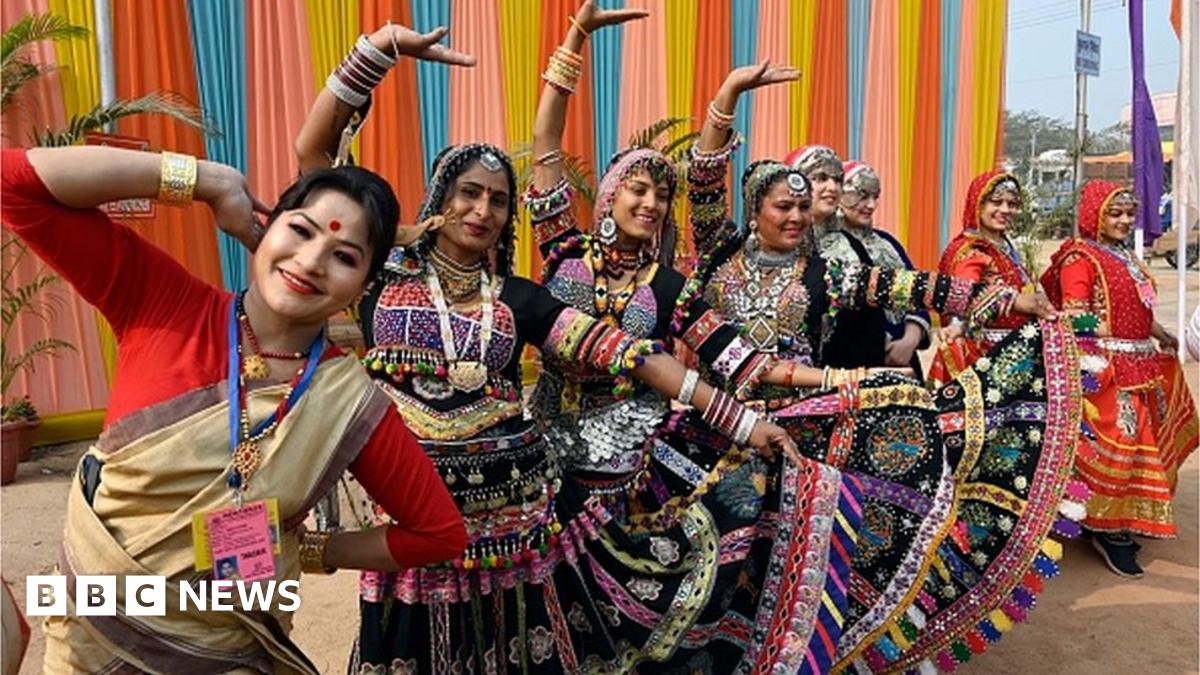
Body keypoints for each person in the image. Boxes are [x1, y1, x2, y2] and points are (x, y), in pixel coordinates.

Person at [293, 15, 803, 673]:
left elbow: (629, 353)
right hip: (418, 511)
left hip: (520, 514)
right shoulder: (381, 274)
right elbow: (313, 161)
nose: (482, 210)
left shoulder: (521, 297)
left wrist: (745, 419)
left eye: (498, 200)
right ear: (441, 198)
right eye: (469, 193)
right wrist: (375, 53)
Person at [1, 145, 468, 673]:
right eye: (301, 229)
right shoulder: (163, 301)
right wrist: (206, 180)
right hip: (89, 648)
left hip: (228, 653)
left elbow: (439, 534)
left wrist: (305, 550)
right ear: (264, 228)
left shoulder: (351, 403)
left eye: (345, 256)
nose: (311, 260)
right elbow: (14, 182)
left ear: (362, 286)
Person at [689, 151, 1088, 672]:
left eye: (803, 208)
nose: (796, 217)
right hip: (713, 425)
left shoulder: (824, 275)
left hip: (797, 430)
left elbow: (913, 286)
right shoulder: (719, 259)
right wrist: (728, 95)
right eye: (784, 206)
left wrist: (1011, 302)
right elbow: (700, 185)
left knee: (790, 560)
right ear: (753, 210)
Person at [1041, 180, 1199, 578]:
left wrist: (1158, 331)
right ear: (1095, 213)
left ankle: (1118, 519)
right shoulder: (1081, 257)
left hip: (1141, 363)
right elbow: (1074, 315)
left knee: (1143, 444)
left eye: (1129, 213)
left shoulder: (1123, 253)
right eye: (1115, 213)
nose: (1125, 220)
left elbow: (1138, 307)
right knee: (1121, 447)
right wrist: (1100, 355)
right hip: (1107, 369)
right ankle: (1107, 528)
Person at [814, 160, 931, 376]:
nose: (871, 205)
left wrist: (909, 340)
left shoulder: (888, 241)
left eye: (875, 196)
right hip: (853, 361)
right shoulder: (822, 245)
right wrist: (882, 345)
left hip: (905, 359)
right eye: (862, 195)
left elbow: (919, 293)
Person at [928, 171, 1038, 386]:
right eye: (996, 202)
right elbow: (965, 291)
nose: (1005, 210)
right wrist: (958, 324)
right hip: (984, 357)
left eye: (1012, 204)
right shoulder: (971, 249)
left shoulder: (1005, 247)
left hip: (1015, 354)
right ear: (978, 204)